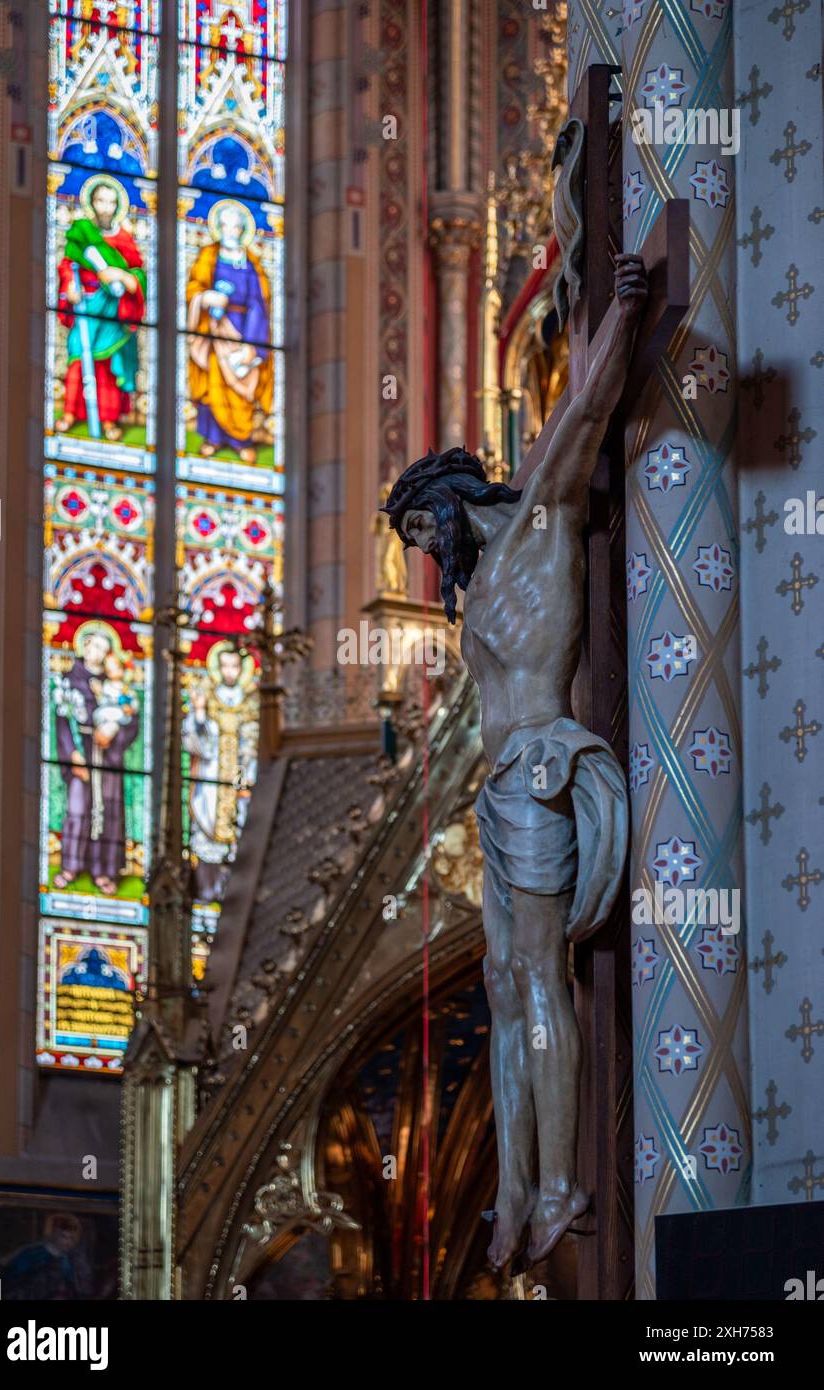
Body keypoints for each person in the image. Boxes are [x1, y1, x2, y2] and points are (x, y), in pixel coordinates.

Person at [382, 254, 647, 1271]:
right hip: (499, 792)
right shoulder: (483, 580)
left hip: (541, 767)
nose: (421, 551)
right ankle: (514, 1192)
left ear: (453, 501)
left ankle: (562, 1184)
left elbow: (585, 413)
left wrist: (621, 309)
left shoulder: (539, 528)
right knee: (503, 979)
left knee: (541, 976)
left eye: (419, 525)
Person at [56, 175, 145, 442]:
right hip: (86, 305)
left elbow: (137, 273)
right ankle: (70, 412)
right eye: (100, 201)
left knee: (106, 363)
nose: (105, 207)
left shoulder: (125, 239)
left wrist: (123, 276)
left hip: (112, 310)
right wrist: (70, 285)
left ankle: (108, 419)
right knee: (77, 357)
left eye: (111, 202)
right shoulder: (82, 232)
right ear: (92, 202)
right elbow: (67, 265)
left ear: (118, 205)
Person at [53, 625, 139, 897]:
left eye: (104, 649)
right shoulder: (69, 679)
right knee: (78, 809)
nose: (99, 654)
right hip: (81, 750)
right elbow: (62, 720)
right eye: (95, 647)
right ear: (85, 645)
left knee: (109, 811)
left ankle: (104, 871)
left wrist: (114, 732)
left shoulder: (115, 684)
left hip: (108, 754)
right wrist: (72, 754)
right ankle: (70, 866)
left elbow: (131, 719)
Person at [186, 199, 274, 463]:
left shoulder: (250, 264)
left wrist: (252, 344)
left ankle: (240, 439)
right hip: (214, 328)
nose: (230, 232)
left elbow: (259, 304)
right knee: (214, 383)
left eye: (236, 227)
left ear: (242, 230)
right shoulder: (208, 256)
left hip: (243, 329)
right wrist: (205, 298)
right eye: (225, 226)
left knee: (242, 385)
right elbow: (193, 289)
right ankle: (213, 438)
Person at [183, 645, 257, 902]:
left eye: (234, 665)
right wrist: (200, 712)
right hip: (211, 778)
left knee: (239, 831)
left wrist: (243, 780)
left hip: (236, 775)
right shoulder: (207, 699)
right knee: (207, 834)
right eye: (224, 665)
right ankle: (206, 890)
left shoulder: (250, 703)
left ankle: (236, 894)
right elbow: (194, 742)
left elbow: (251, 745)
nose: (229, 671)